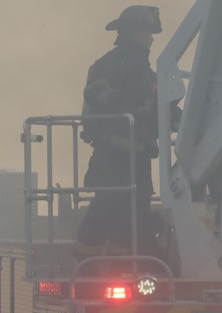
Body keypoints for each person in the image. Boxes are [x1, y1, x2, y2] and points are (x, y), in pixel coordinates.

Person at [77, 5, 166, 260]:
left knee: (137, 211)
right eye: (147, 32)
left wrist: (175, 116)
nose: (151, 39)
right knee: (106, 206)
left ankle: (122, 262)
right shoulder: (106, 66)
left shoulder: (148, 72)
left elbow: (159, 105)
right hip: (112, 153)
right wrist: (132, 100)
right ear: (132, 33)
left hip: (139, 156)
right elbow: (98, 95)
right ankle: (86, 260)